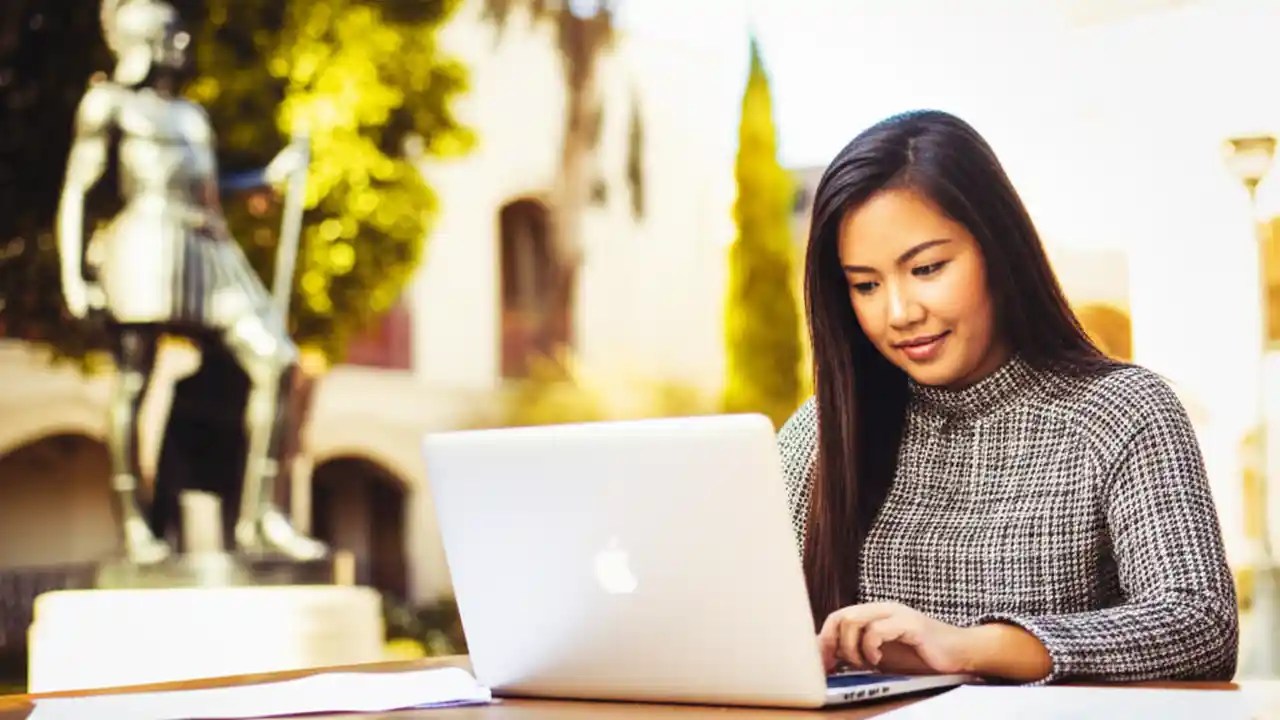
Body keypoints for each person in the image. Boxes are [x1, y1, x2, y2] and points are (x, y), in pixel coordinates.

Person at [777, 109, 1238, 684]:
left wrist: (971, 648)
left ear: (997, 250)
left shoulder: (1122, 412)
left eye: (926, 268)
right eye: (866, 285)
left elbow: (1199, 624)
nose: (899, 313)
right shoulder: (821, 431)